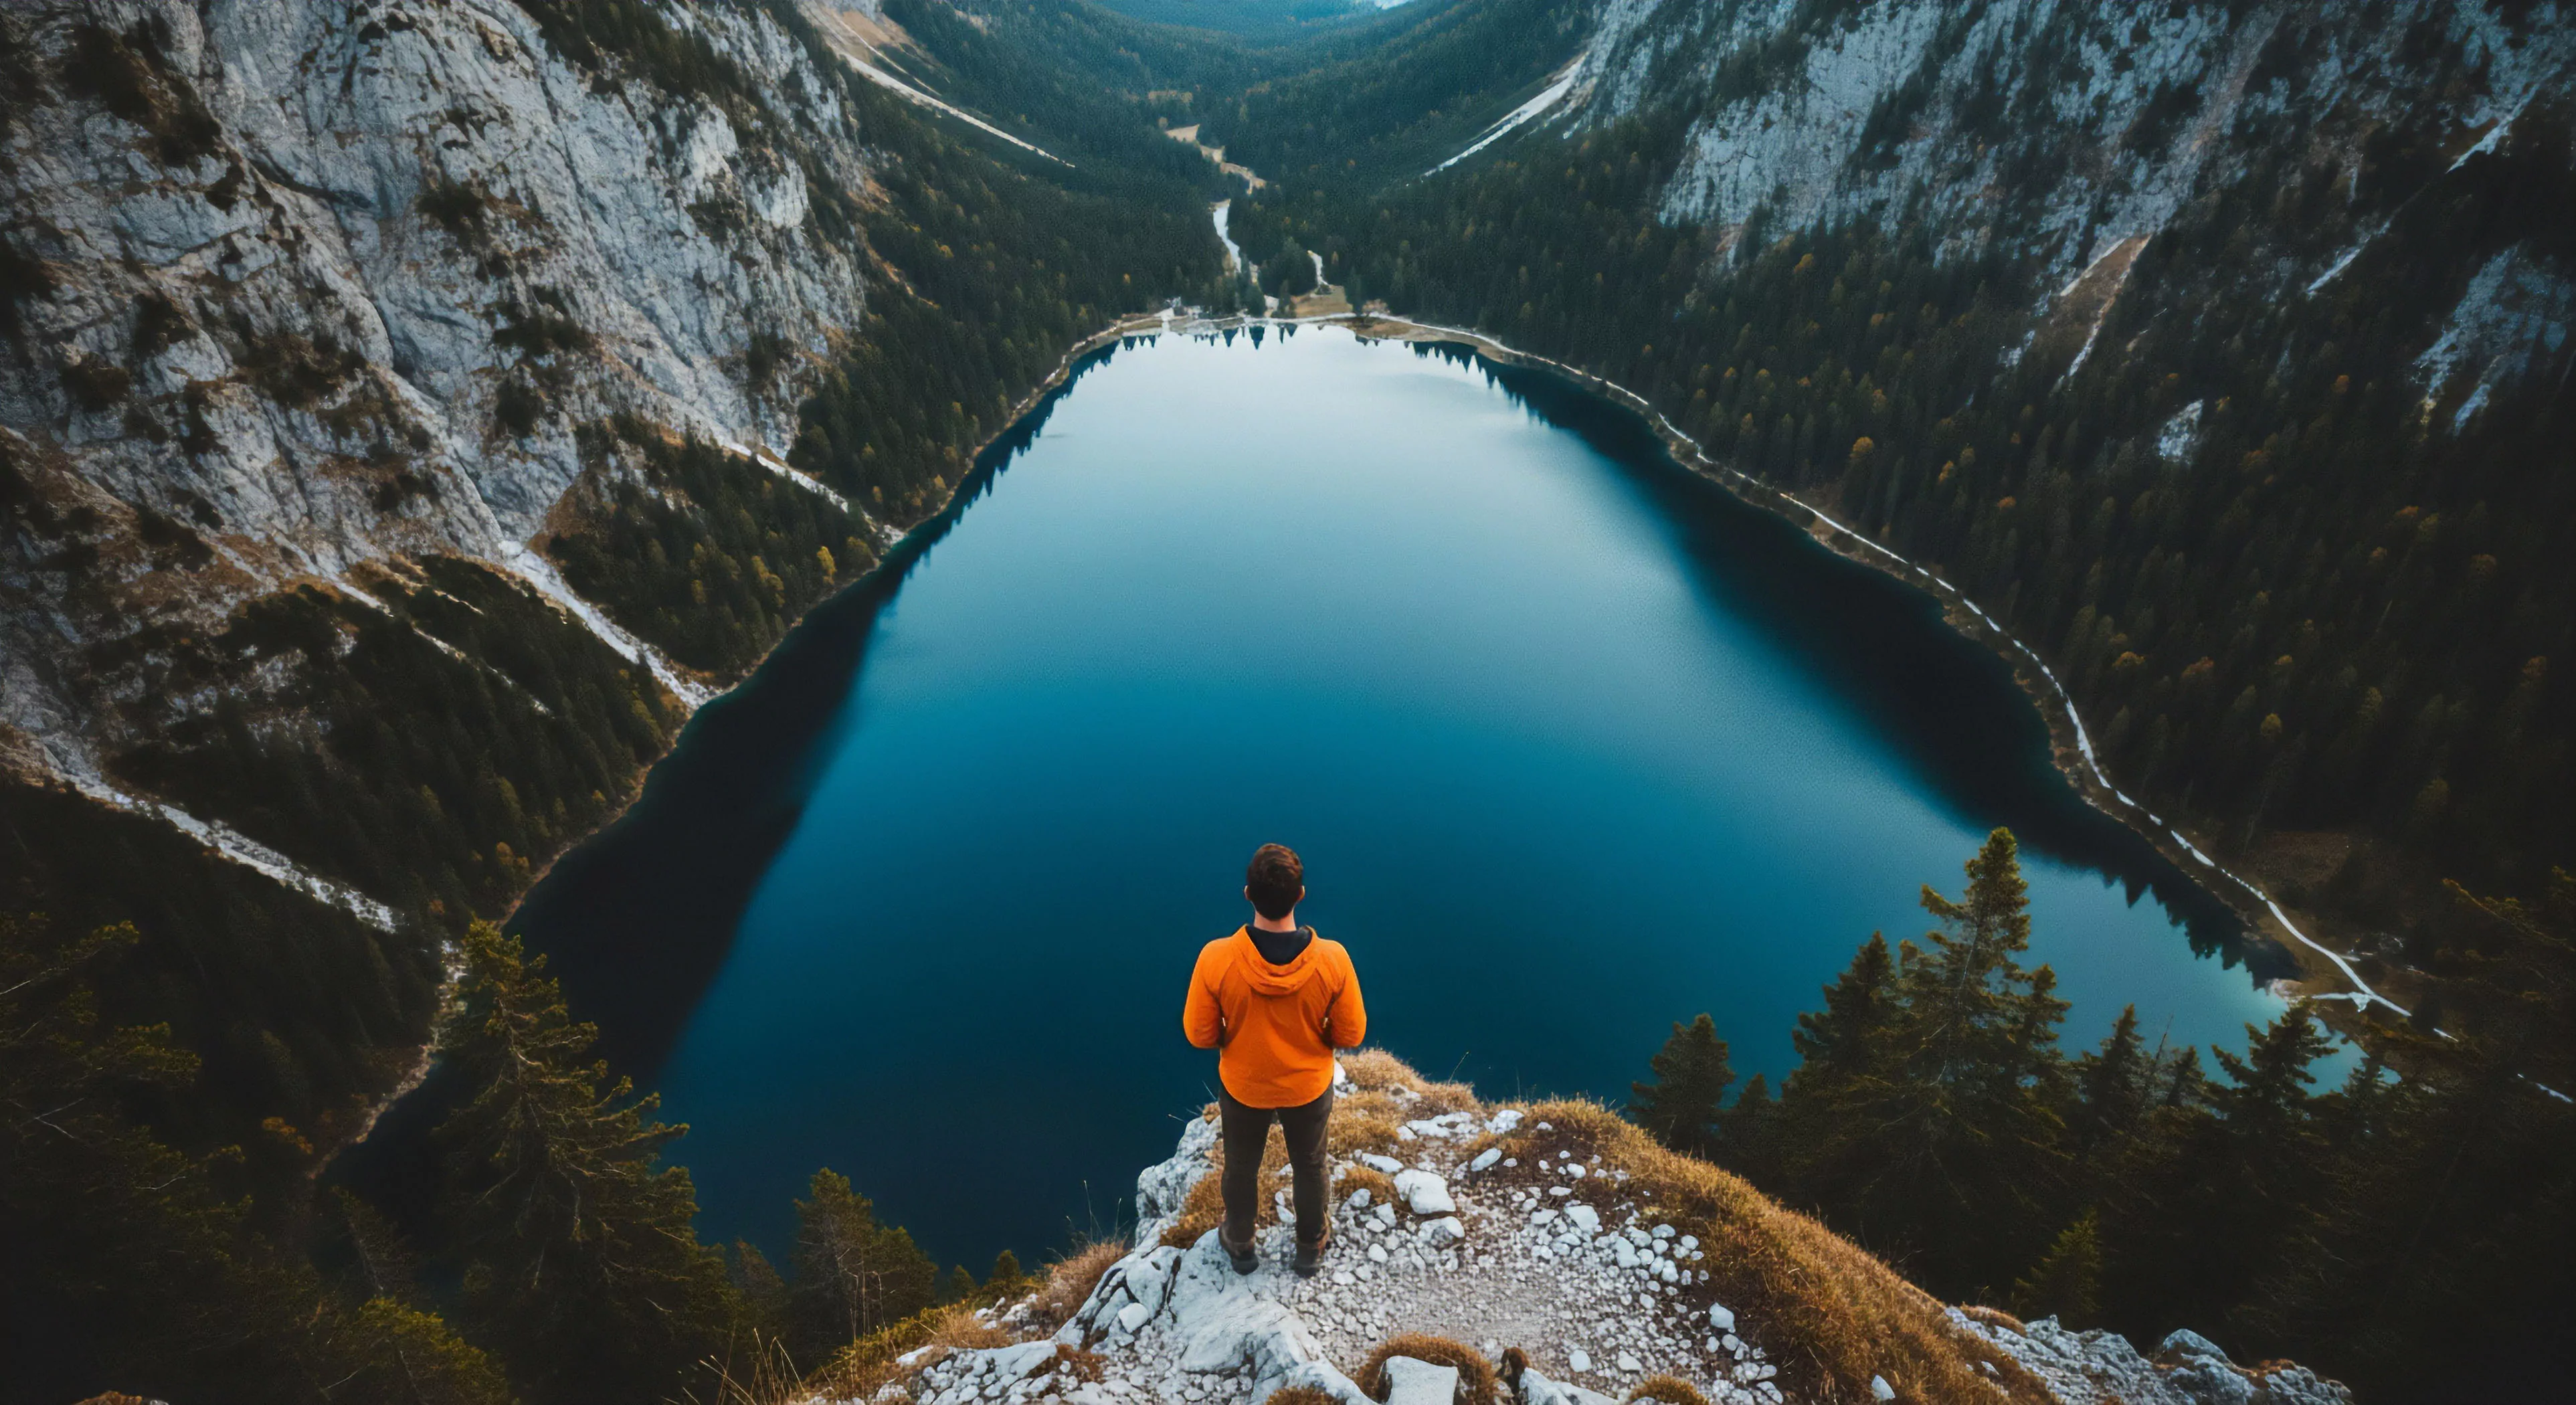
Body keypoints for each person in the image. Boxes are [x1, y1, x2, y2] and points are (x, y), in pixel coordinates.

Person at [1182, 843, 1366, 1277]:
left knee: (1241, 1167)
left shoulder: (1216, 958)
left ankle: (1241, 1243)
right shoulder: (1333, 960)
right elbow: (1352, 1033)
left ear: (1247, 893)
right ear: (1300, 895)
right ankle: (1309, 1246)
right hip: (1307, 1086)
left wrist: (1239, 1036)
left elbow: (1199, 1034)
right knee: (1310, 1165)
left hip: (1245, 1085)